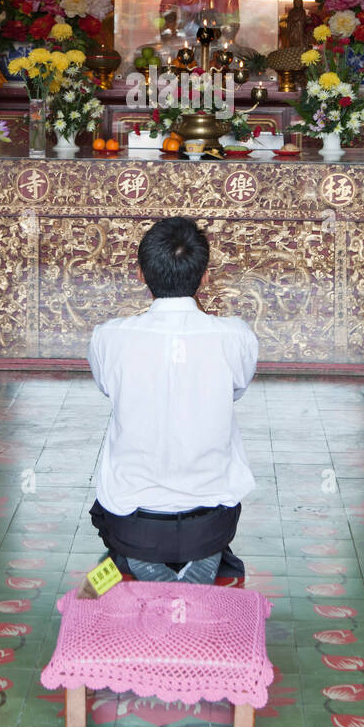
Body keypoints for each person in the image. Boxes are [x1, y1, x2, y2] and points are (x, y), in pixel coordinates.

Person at [88, 217, 258, 584]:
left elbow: (107, 388)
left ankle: (127, 561)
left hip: (131, 523)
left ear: (139, 274)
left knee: (104, 516)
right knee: (214, 504)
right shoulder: (236, 337)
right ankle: (208, 558)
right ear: (205, 276)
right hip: (212, 521)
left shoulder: (108, 338)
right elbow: (237, 389)